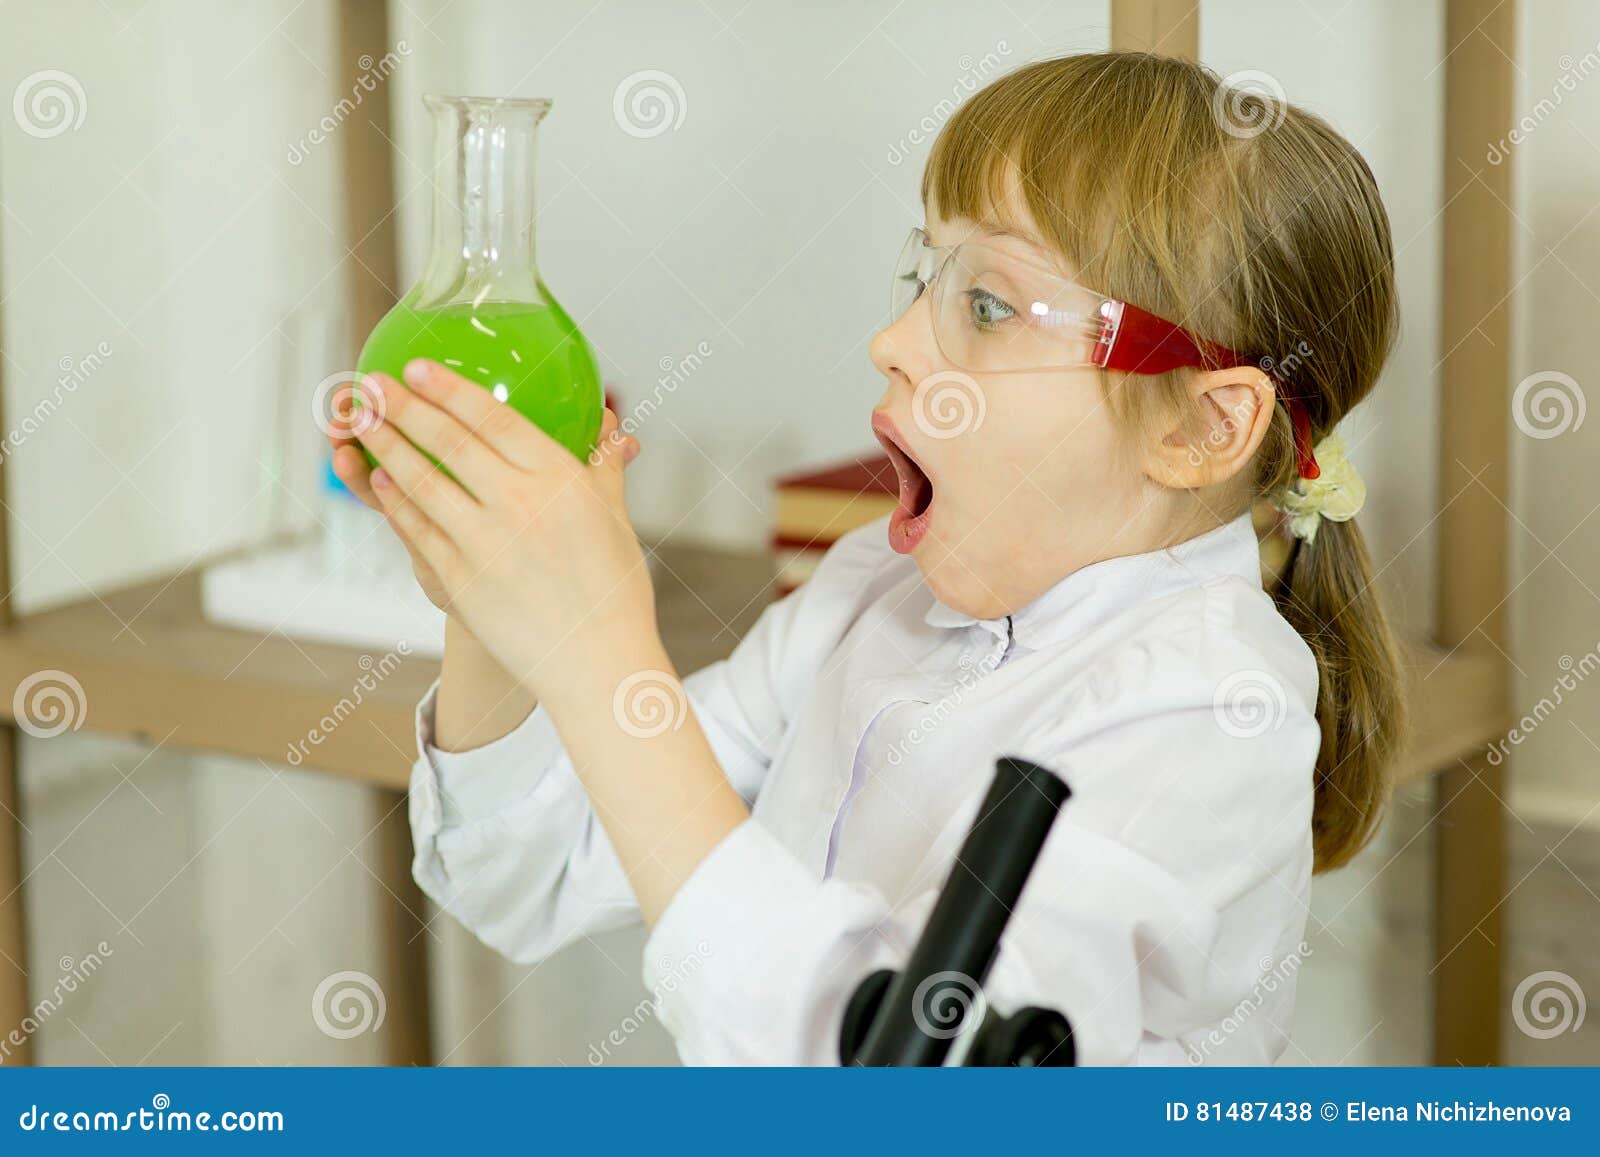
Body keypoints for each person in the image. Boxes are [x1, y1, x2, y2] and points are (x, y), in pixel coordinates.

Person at [328, 51, 1406, 1065]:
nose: (892, 340)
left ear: (1202, 428)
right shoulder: (870, 590)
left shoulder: (1209, 708)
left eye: (986, 302)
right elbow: (525, 869)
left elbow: (894, 1076)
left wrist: (606, 655)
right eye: (920, 272)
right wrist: (499, 604)